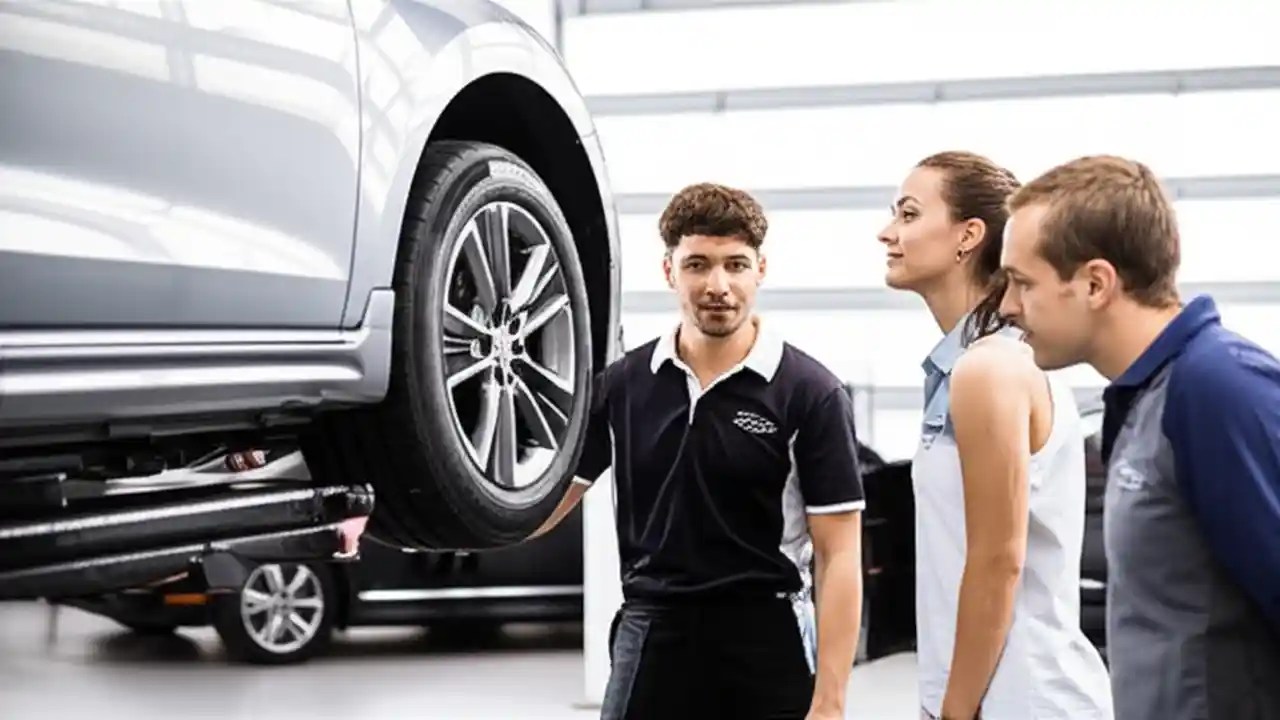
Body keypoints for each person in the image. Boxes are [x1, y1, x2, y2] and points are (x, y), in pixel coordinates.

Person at [531, 182, 866, 719]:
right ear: (669, 271)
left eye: (735, 265)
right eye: (698, 265)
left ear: (761, 269)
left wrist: (830, 700)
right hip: (651, 630)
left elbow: (840, 555)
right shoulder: (621, 386)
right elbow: (544, 505)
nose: (718, 285)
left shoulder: (809, 392)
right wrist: (431, 515)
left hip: (766, 639)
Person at [998, 154, 1280, 720]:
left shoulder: (1215, 387)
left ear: (1096, 283)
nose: (1008, 307)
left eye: (1022, 283)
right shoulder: (1143, 396)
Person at [876, 151, 1112, 720]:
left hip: (1020, 700)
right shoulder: (975, 366)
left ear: (968, 235)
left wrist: (953, 712)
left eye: (908, 214)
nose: (887, 232)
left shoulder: (990, 369)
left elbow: (998, 561)